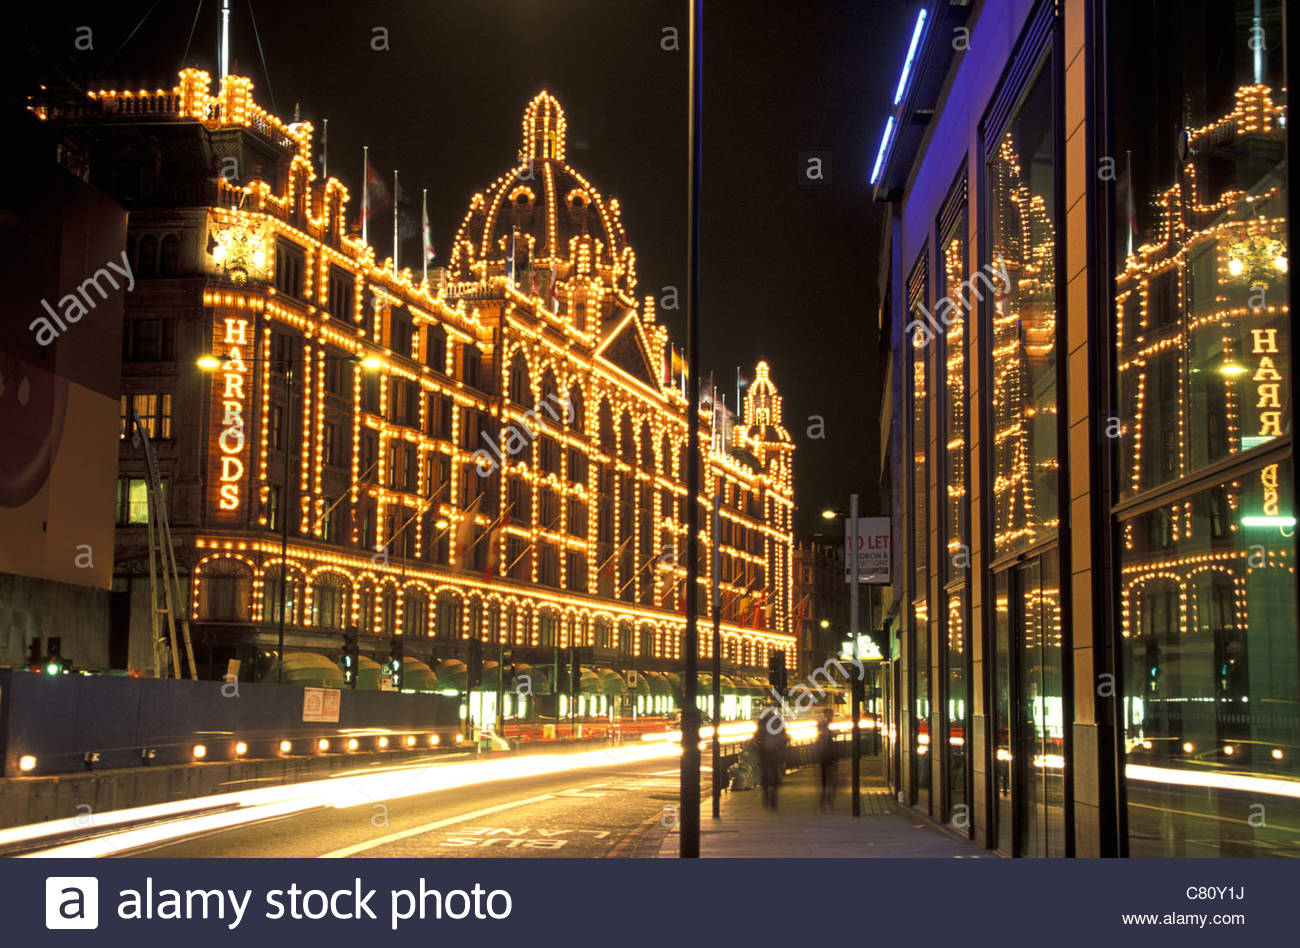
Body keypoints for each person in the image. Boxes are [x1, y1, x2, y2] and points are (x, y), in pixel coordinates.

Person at [755, 703, 788, 810]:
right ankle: (770, 796)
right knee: (770, 773)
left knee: (770, 773)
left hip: (770, 752)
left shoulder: (773, 722)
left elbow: (757, 735)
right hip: (770, 751)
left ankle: (769, 796)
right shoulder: (776, 722)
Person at [817, 707, 837, 809]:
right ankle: (827, 797)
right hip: (827, 752)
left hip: (825, 752)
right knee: (829, 776)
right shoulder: (825, 724)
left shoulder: (823, 724)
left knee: (826, 776)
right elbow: (825, 735)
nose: (830, 716)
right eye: (829, 714)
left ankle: (826, 797)